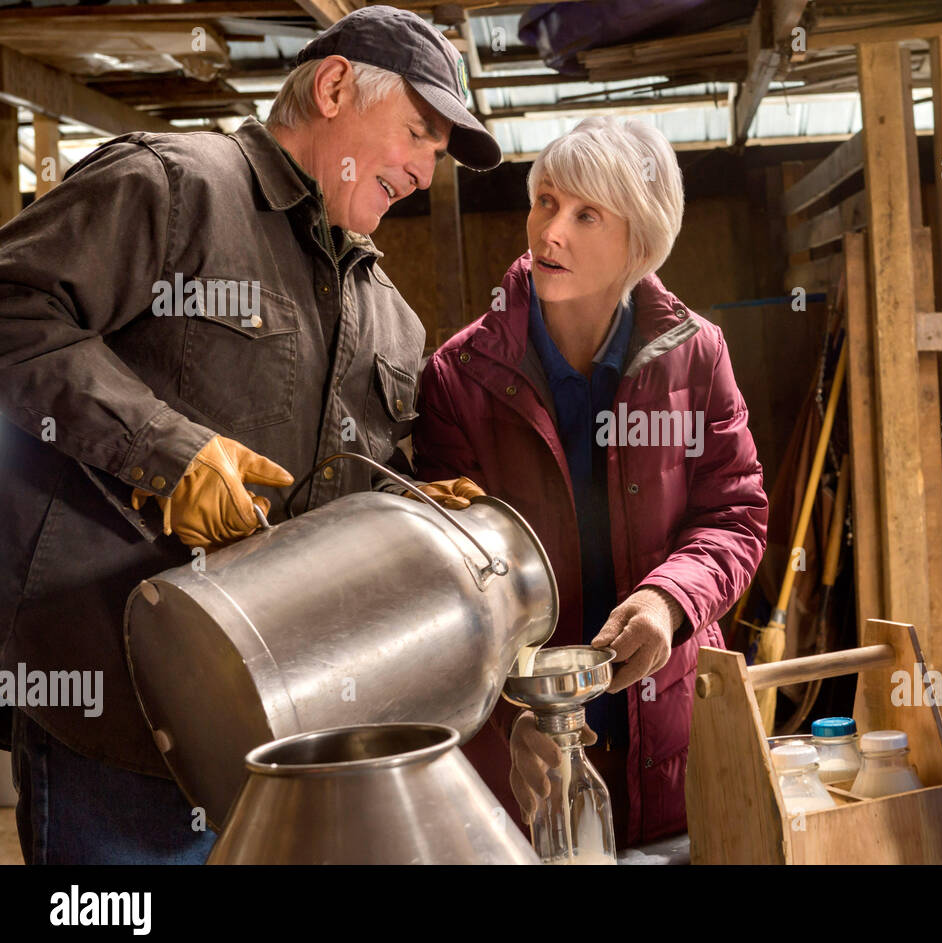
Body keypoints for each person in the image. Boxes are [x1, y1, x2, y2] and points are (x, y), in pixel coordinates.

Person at [0, 6, 501, 863]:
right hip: (120, 726)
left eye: (437, 155)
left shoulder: (390, 320)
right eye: (418, 133)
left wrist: (407, 510)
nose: (425, 170)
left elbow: (327, 492)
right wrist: (165, 451)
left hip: (285, 744)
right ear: (337, 86)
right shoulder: (174, 187)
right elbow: (12, 309)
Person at [412, 117, 768, 848]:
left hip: (675, 747)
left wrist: (672, 600)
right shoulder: (459, 375)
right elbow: (448, 583)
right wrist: (508, 725)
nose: (552, 232)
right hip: (524, 764)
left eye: (585, 214)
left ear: (638, 241)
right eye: (545, 201)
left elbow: (735, 515)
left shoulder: (697, 356)